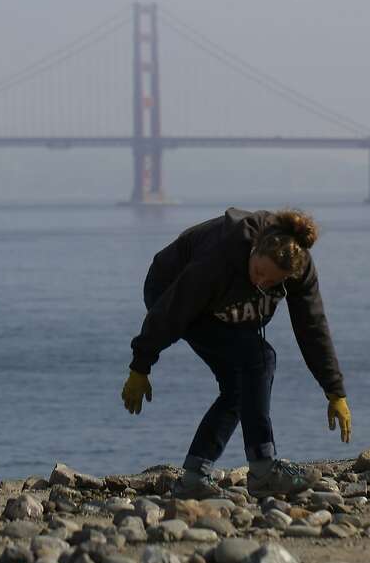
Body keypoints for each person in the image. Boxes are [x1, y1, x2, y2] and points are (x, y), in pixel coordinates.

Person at [121, 207, 352, 499]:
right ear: (253, 250)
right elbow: (172, 311)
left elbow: (312, 326)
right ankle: (263, 468)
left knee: (239, 385)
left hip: (220, 306)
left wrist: (334, 390)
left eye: (271, 283)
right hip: (168, 290)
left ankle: (194, 477)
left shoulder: (298, 267)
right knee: (259, 359)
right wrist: (141, 365)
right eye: (258, 272)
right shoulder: (219, 256)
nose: (260, 283)